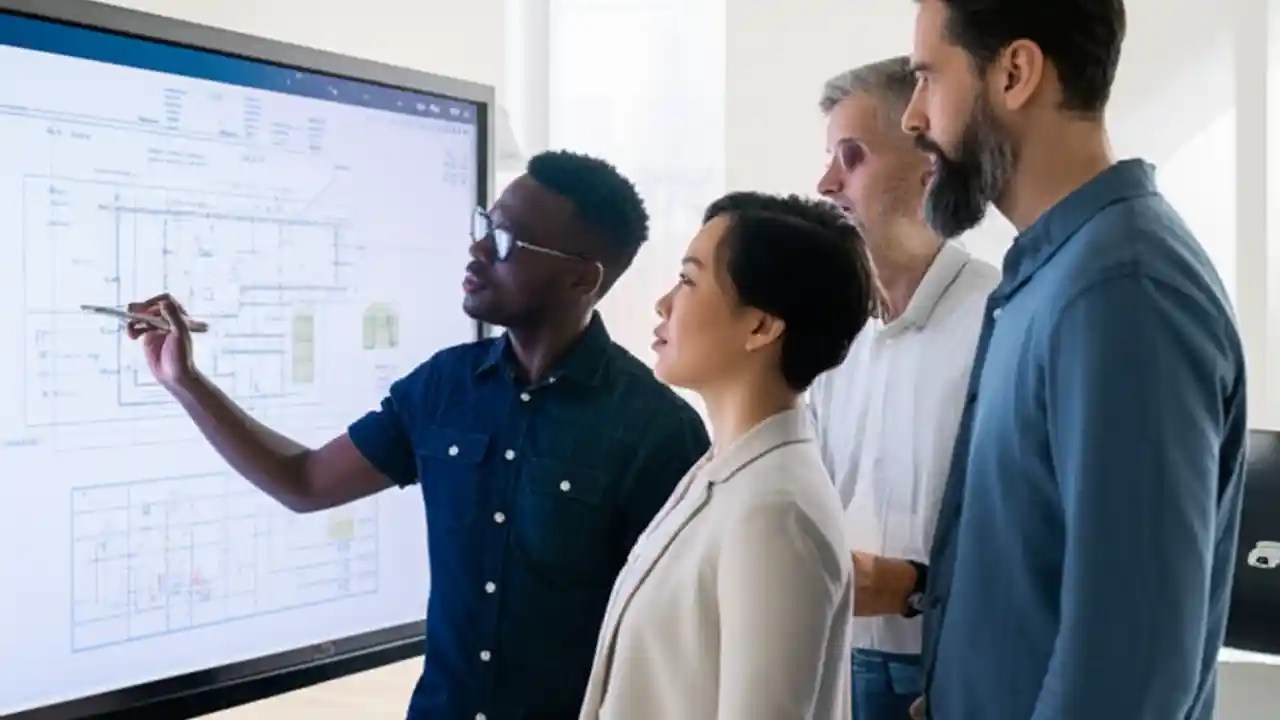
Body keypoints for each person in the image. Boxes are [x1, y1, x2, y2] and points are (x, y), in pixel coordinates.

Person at [125, 150, 711, 720]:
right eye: (484, 224)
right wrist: (184, 380)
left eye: (506, 241)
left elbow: (678, 644)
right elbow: (303, 482)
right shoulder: (444, 387)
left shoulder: (659, 432)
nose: (478, 249)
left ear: (581, 278)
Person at [899, 1, 1248, 718]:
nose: (912, 117)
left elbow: (1129, 671)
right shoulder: (1056, 277)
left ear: (1016, 72)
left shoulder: (1121, 291)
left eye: (928, 78)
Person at [577, 192, 877, 720]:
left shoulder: (776, 509)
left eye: (689, 280)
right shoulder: (724, 470)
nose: (664, 303)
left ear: (761, 326)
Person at [812, 56, 999, 720]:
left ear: (930, 166)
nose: (825, 182)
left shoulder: (1002, 323)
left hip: (951, 677)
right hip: (829, 663)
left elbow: (1035, 539)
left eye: (851, 156)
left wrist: (917, 589)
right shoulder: (832, 338)